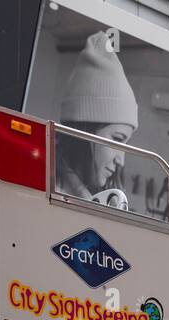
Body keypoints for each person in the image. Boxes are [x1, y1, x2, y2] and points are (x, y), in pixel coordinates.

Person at [56, 31, 139, 210]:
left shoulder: (107, 200)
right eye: (117, 139)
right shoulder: (43, 190)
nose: (121, 161)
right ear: (84, 131)